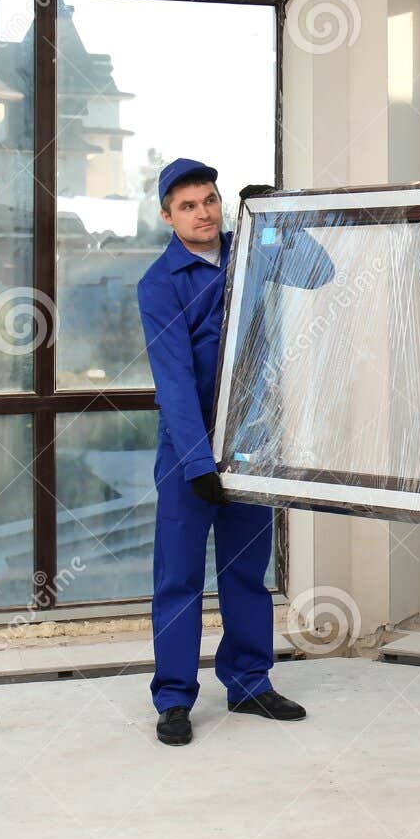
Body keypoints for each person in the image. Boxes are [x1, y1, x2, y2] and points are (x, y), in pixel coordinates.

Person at [139, 159, 333, 746]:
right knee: (179, 578)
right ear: (169, 217)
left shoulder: (251, 249)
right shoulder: (160, 283)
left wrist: (282, 220)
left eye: (210, 200)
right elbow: (174, 383)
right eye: (189, 206)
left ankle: (249, 684)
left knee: (246, 571)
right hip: (188, 450)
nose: (204, 213)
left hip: (250, 442)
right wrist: (199, 465)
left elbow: (320, 273)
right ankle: (174, 698)